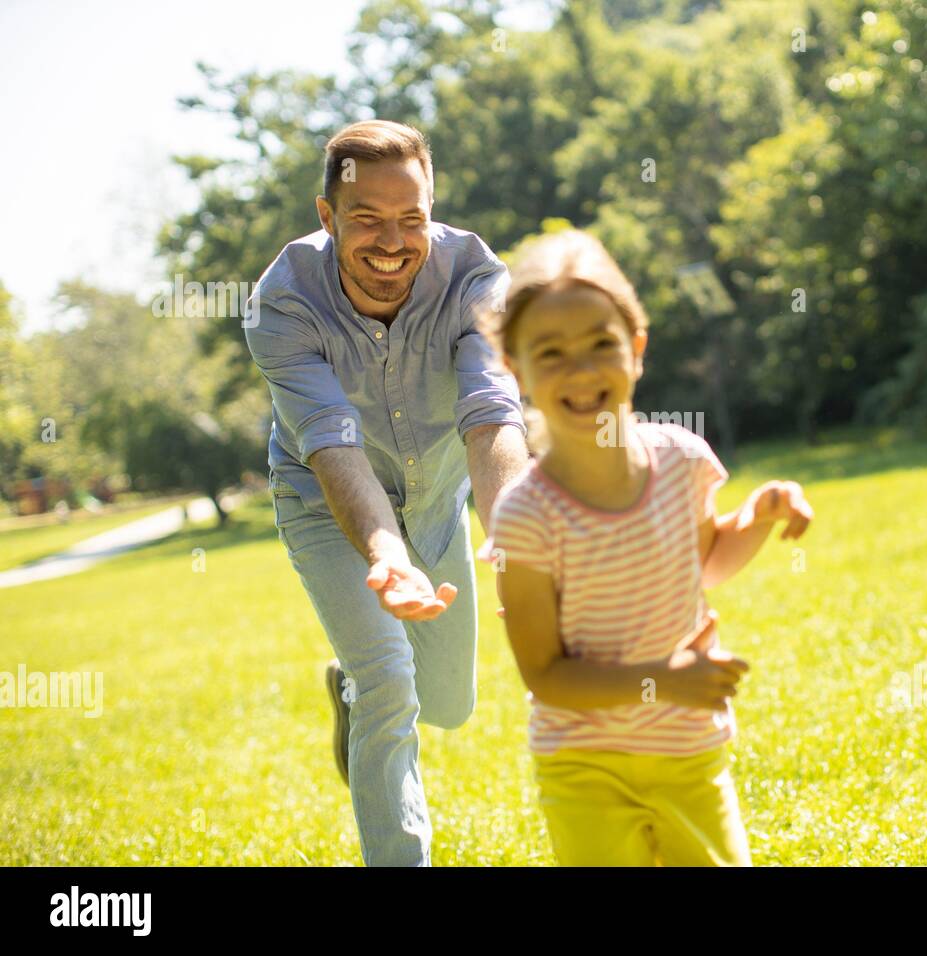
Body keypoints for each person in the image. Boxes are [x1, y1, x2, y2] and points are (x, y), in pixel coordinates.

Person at [474, 230, 814, 865]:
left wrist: (759, 515)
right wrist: (664, 681)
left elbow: (706, 563)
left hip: (688, 749)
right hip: (583, 766)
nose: (580, 369)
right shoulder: (526, 516)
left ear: (636, 349)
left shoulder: (682, 462)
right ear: (516, 370)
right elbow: (545, 677)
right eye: (550, 353)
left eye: (601, 344)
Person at [242, 120, 531, 866]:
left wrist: (517, 530)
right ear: (327, 214)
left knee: (448, 706)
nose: (391, 242)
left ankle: (352, 692)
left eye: (411, 219)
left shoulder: (475, 279)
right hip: (324, 508)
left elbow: (491, 413)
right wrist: (385, 555)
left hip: (436, 499)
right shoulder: (283, 303)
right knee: (391, 683)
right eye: (366, 218)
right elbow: (331, 444)